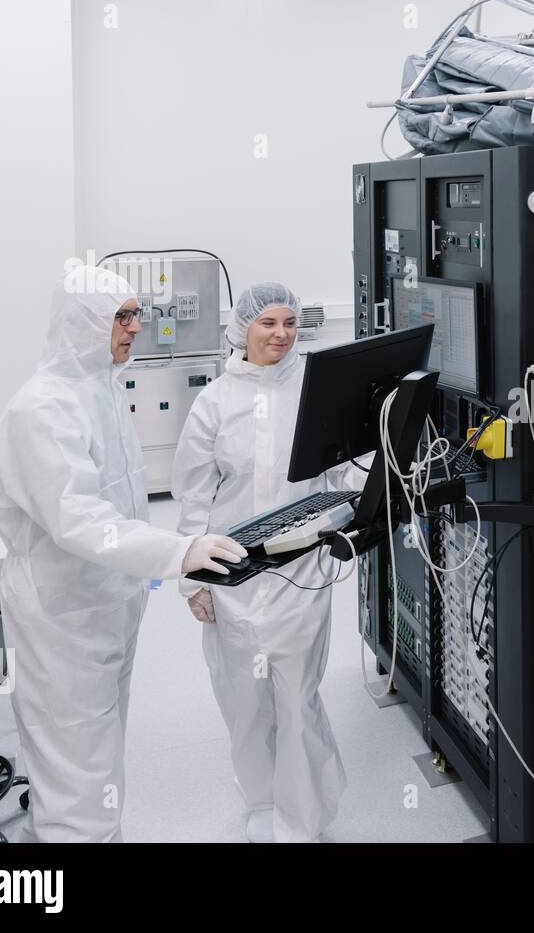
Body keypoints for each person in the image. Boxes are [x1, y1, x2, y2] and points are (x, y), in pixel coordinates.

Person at [0, 264, 247, 842]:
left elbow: (125, 495)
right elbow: (81, 520)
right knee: (75, 768)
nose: (135, 327)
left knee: (94, 752)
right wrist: (180, 551)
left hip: (105, 606)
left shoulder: (100, 387)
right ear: (82, 325)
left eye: (137, 314)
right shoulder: (43, 410)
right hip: (64, 617)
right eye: (121, 317)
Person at [172, 283, 349, 843]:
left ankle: (301, 819)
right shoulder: (215, 403)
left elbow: (342, 473)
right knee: (243, 698)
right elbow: (194, 496)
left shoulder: (317, 391)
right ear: (242, 329)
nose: (280, 334)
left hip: (300, 567)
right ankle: (261, 801)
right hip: (231, 570)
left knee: (297, 698)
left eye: (290, 324)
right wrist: (191, 583)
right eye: (267, 323)